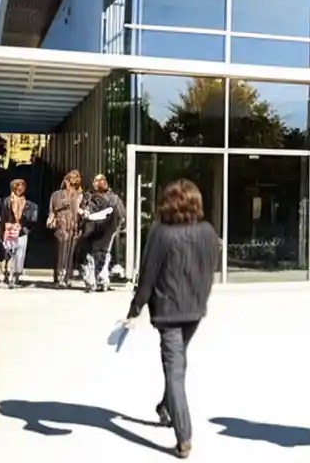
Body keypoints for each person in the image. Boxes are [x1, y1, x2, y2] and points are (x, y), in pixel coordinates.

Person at [126, 179, 220, 459]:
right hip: (195, 310)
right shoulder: (208, 231)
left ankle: (184, 438)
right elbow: (210, 268)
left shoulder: (162, 233)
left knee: (175, 370)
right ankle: (167, 407)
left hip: (168, 311)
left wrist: (135, 307)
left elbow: (148, 273)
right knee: (178, 362)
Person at [82, 173, 126, 292]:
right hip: (99, 231)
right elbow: (122, 215)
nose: (98, 183)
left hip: (100, 231)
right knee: (98, 256)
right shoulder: (91, 197)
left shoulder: (111, 198)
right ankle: (98, 280)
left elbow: (121, 215)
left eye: (100, 180)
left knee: (97, 256)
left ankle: (96, 280)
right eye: (97, 180)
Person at [0, 179, 37, 288]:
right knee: (8, 253)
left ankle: (16, 274)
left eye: (22, 187)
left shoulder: (29, 204)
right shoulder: (6, 201)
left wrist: (25, 227)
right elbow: (2, 216)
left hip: (21, 231)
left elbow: (32, 219)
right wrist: (3, 227)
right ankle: (8, 274)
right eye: (17, 187)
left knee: (20, 253)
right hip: (9, 230)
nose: (20, 189)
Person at [48, 170, 84, 288]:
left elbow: (84, 211)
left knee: (71, 254)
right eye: (72, 179)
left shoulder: (81, 196)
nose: (74, 181)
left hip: (74, 227)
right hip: (62, 226)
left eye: (77, 179)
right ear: (66, 180)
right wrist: (51, 219)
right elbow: (52, 210)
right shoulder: (57, 195)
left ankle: (68, 277)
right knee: (61, 252)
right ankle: (59, 277)